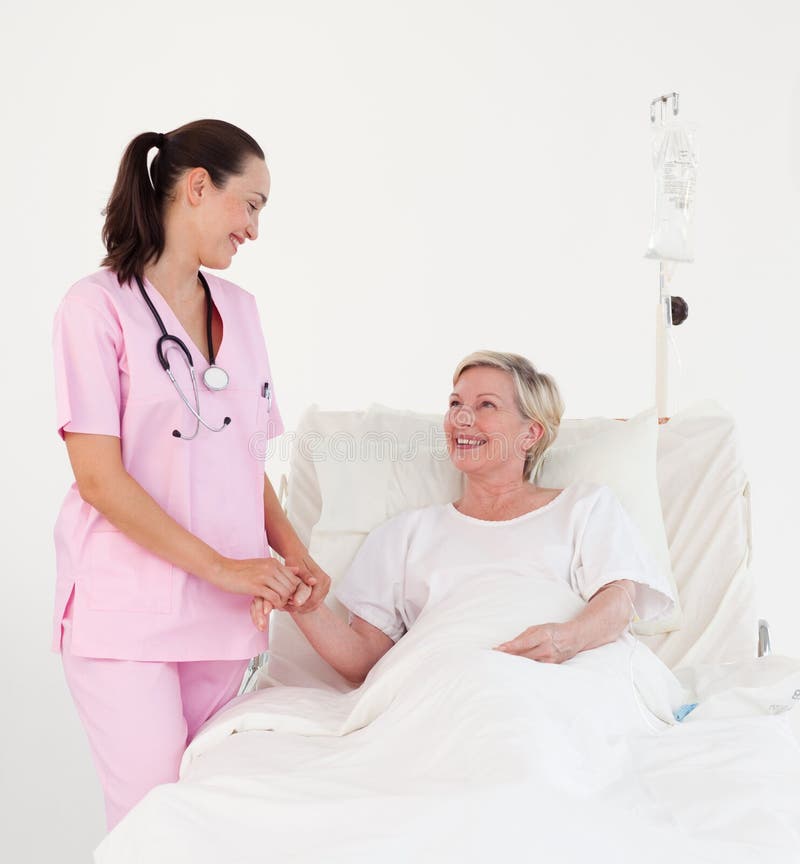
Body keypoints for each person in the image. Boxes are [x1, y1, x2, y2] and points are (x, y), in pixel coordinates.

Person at [52, 119, 330, 831]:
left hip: (222, 621)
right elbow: (99, 481)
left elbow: (241, 462)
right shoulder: (96, 307)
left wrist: (295, 556)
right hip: (130, 613)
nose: (256, 231)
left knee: (207, 821)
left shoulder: (242, 311)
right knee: (150, 822)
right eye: (253, 205)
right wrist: (227, 569)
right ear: (199, 188)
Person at [272, 350, 675, 684]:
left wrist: (565, 640)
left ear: (530, 433)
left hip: (562, 682)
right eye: (455, 404)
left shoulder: (584, 508)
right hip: (450, 688)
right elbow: (363, 661)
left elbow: (618, 604)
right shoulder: (404, 535)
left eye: (486, 405)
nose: (462, 418)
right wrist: (306, 608)